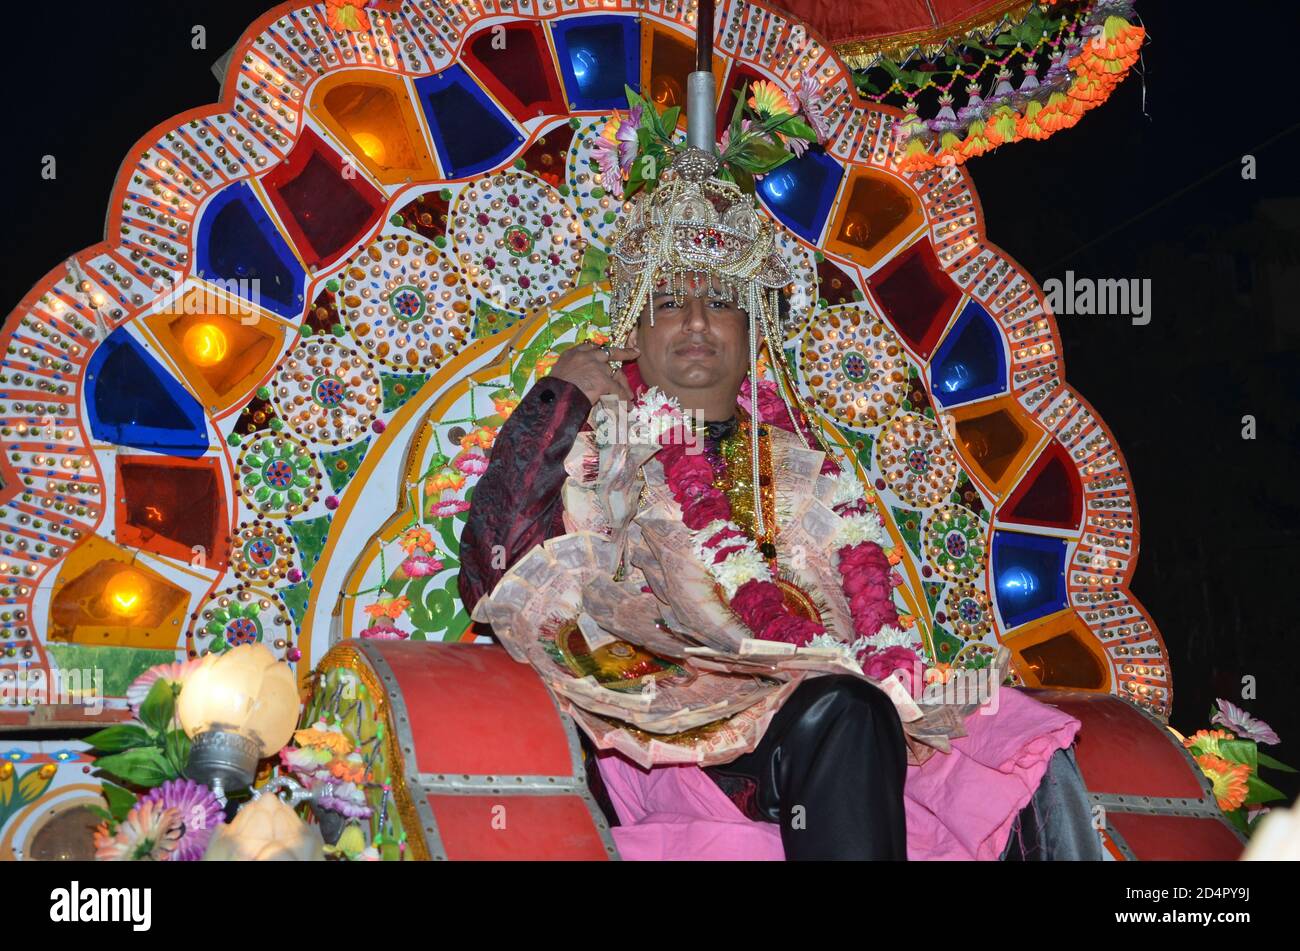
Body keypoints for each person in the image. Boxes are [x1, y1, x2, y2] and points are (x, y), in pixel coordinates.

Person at [457, 148, 1102, 860]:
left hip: (840, 720)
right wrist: (558, 396)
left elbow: (867, 637)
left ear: (751, 334)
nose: (698, 323)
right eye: (670, 302)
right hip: (684, 740)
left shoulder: (806, 466)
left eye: (722, 304)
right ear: (635, 333)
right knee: (843, 708)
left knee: (1015, 724)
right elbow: (496, 570)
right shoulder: (597, 445)